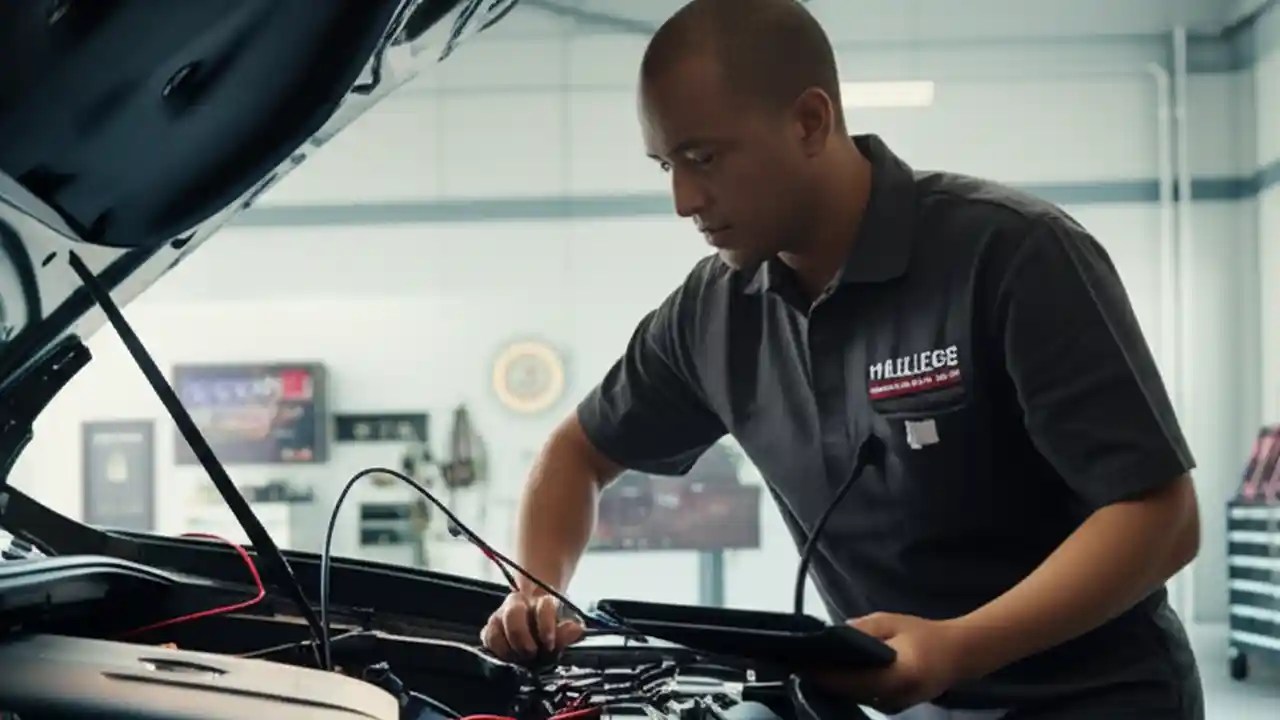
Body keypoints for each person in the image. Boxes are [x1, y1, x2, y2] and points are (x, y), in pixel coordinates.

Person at [480, 0, 1205, 717]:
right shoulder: (713, 313)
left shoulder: (1012, 255)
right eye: (665, 163)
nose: (682, 198)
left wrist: (959, 647)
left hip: (1093, 699)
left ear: (810, 122)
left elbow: (1160, 516)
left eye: (703, 157)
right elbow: (577, 451)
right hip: (905, 705)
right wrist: (535, 591)